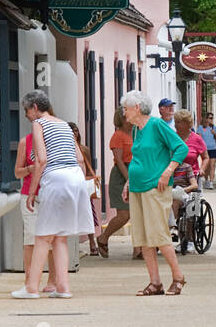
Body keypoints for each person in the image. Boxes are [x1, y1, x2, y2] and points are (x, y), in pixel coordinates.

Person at [12, 90, 93, 299]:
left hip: (56, 179)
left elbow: (41, 159)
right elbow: (80, 158)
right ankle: (63, 287)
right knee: (60, 238)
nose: (27, 115)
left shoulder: (39, 124)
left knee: (42, 237)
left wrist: (32, 191)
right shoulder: (64, 124)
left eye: (27, 110)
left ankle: (31, 288)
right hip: (75, 178)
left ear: (35, 108)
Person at [119, 90, 190, 296]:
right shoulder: (136, 130)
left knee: (159, 235)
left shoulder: (157, 125)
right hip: (138, 187)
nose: (124, 113)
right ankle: (155, 282)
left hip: (155, 187)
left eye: (126, 108)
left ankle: (178, 277)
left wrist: (168, 172)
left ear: (137, 108)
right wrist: (128, 182)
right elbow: (137, 159)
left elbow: (180, 148)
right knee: (143, 238)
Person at [13, 123, 56, 292]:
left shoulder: (54, 143)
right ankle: (29, 281)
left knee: (52, 239)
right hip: (29, 195)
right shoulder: (26, 142)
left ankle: (52, 280)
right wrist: (30, 169)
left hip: (50, 194)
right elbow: (17, 172)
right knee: (30, 238)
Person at [98, 108, 139, 259]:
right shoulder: (118, 136)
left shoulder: (137, 133)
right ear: (121, 119)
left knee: (139, 214)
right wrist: (128, 178)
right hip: (122, 176)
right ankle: (103, 237)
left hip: (137, 172)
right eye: (127, 117)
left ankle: (138, 249)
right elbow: (119, 161)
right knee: (124, 215)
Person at [171, 109, 208, 253]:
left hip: (192, 176)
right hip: (175, 176)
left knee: (192, 207)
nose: (175, 124)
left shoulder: (196, 138)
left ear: (187, 124)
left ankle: (191, 239)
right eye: (175, 121)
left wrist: (202, 169)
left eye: (178, 122)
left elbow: (205, 157)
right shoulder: (172, 137)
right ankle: (176, 233)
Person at [67, 122, 102, 259]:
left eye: (76, 131)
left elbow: (88, 167)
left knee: (88, 213)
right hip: (69, 184)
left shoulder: (84, 149)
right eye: (71, 131)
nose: (74, 133)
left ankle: (92, 242)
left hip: (83, 184)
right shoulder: (64, 148)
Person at [200, 111, 216, 188]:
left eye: (212, 118)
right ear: (206, 119)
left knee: (212, 165)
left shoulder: (213, 127)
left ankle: (211, 182)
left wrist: (214, 133)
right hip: (205, 149)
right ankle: (206, 180)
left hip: (213, 148)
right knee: (207, 166)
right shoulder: (201, 127)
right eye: (210, 118)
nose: (211, 120)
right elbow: (200, 138)